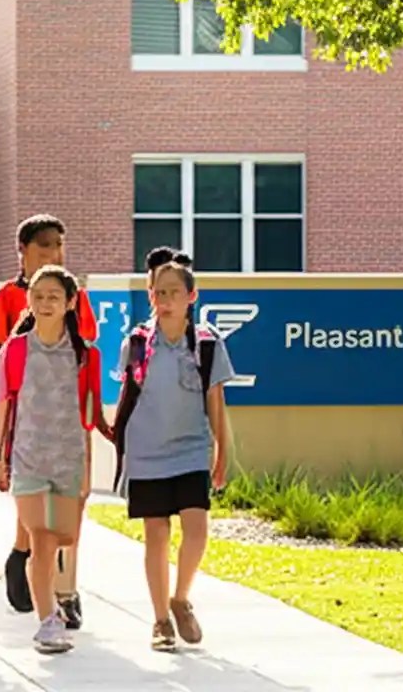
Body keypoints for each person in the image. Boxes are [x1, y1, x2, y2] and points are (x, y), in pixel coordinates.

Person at [112, 247, 233, 652]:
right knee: (157, 535)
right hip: (147, 452)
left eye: (173, 292)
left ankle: (180, 598)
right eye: (158, 293)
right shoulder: (137, 343)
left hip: (191, 449)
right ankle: (161, 620)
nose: (165, 300)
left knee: (196, 530)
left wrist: (222, 453)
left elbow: (216, 402)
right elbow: (127, 399)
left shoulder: (206, 344)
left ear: (191, 297)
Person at [0, 214, 97, 625]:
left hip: (66, 434)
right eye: (45, 245)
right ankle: (27, 561)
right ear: (23, 250)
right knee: (35, 520)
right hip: (27, 426)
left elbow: (84, 365)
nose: (54, 252)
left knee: (66, 522)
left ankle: (65, 589)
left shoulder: (75, 297)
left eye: (59, 245)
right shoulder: (7, 298)